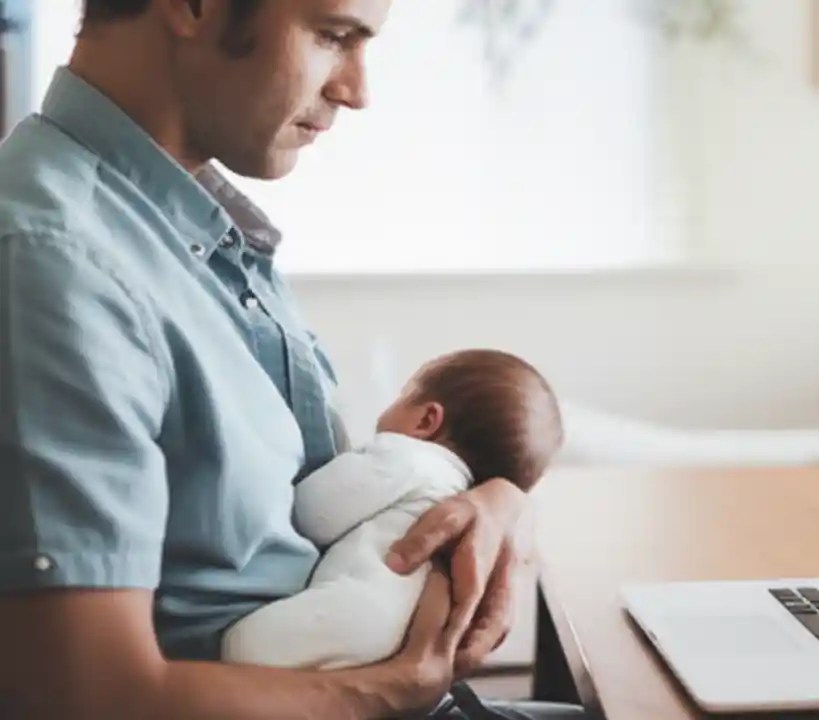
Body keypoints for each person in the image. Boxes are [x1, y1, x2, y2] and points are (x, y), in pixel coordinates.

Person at [0, 1, 582, 717]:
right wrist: (392, 689)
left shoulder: (194, 232)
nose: (356, 90)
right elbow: (92, 694)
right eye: (334, 35)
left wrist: (492, 495)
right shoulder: (54, 263)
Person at [223, 350, 564, 673]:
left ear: (427, 419)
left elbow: (315, 515)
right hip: (402, 634)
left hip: (356, 613)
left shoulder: (407, 457)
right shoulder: (460, 496)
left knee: (240, 647)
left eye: (403, 396)